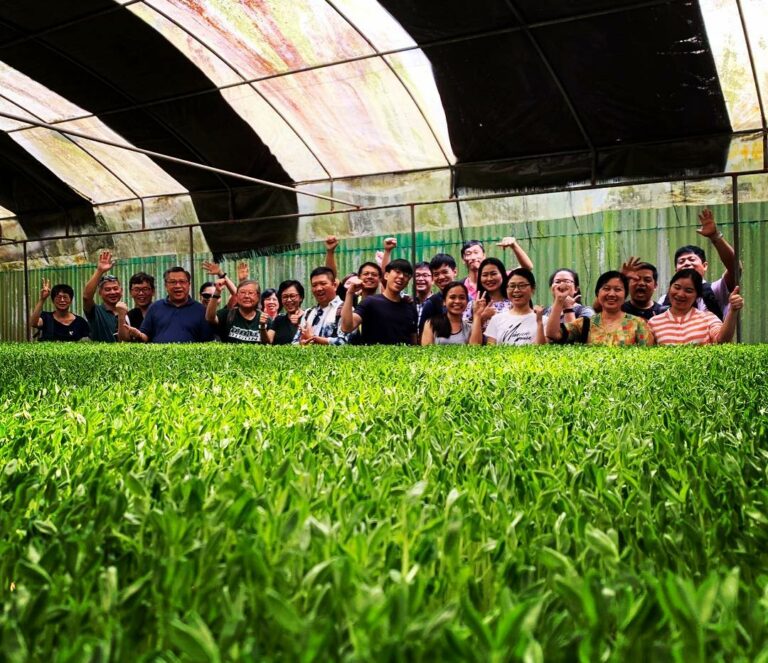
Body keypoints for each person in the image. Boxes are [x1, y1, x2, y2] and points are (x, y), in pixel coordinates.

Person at [659, 208, 738, 319]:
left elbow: (735, 269)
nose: (686, 263)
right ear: (676, 270)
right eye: (681, 261)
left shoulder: (716, 290)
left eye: (691, 259)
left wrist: (715, 236)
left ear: (705, 266)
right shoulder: (665, 299)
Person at [546, 271, 654, 346]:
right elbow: (553, 334)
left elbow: (646, 359)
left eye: (618, 289)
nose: (611, 294)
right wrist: (559, 300)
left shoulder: (638, 324)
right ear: (598, 293)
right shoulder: (585, 324)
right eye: (606, 288)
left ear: (625, 295)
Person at [648, 269, 744, 345]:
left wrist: (732, 311)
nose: (681, 294)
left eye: (688, 290)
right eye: (676, 287)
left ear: (697, 296)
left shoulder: (707, 318)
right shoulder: (654, 323)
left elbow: (722, 341)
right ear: (669, 288)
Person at [122, 266, 214, 343]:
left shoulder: (200, 310)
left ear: (188, 285)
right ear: (166, 285)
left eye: (182, 282)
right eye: (173, 282)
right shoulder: (155, 308)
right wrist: (138, 335)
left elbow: (207, 342)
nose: (178, 286)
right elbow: (145, 336)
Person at [341, 259, 418, 345]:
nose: (401, 277)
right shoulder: (370, 302)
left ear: (408, 281)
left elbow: (413, 342)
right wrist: (350, 293)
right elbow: (346, 327)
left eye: (406, 275)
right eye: (397, 272)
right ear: (386, 275)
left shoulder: (410, 307)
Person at [471, 268, 545, 345]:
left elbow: (542, 352)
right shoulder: (497, 319)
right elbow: (490, 351)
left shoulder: (543, 321)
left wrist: (539, 323)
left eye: (522, 285)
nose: (516, 290)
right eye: (512, 286)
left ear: (533, 289)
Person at [461, 237, 534, 300]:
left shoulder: (502, 277)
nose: (473, 257)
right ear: (463, 259)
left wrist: (514, 246)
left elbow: (527, 268)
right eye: (468, 254)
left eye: (476, 252)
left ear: (484, 255)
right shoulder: (462, 285)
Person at [292, 267, 347, 345]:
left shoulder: (345, 310)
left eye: (323, 283)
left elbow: (345, 342)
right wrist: (302, 343)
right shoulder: (308, 313)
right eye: (314, 285)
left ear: (334, 285)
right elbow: (294, 343)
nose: (318, 288)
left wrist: (313, 338)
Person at [207, 278, 270, 343]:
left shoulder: (265, 319)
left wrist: (262, 326)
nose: (246, 296)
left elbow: (269, 344)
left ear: (258, 296)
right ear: (237, 296)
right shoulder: (227, 314)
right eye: (242, 292)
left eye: (251, 293)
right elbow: (210, 318)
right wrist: (217, 292)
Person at [83, 250, 123, 342]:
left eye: (115, 288)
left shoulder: (126, 312)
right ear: (100, 292)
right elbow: (86, 297)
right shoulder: (96, 312)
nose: (112, 292)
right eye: (107, 289)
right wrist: (100, 270)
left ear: (121, 291)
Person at [418, 253, 460, 336]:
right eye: (436, 274)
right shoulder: (431, 304)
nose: (441, 277)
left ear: (455, 272)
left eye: (445, 272)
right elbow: (422, 336)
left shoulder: (468, 299)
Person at [464, 257, 511, 329]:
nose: (489, 278)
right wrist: (482, 317)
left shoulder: (513, 303)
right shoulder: (473, 305)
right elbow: (465, 335)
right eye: (485, 275)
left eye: (493, 274)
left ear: (502, 274)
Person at [267, 280, 305, 345]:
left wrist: (298, 324)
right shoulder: (278, 320)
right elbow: (267, 342)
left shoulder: (309, 317)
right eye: (285, 297)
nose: (289, 300)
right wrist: (262, 326)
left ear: (301, 297)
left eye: (292, 296)